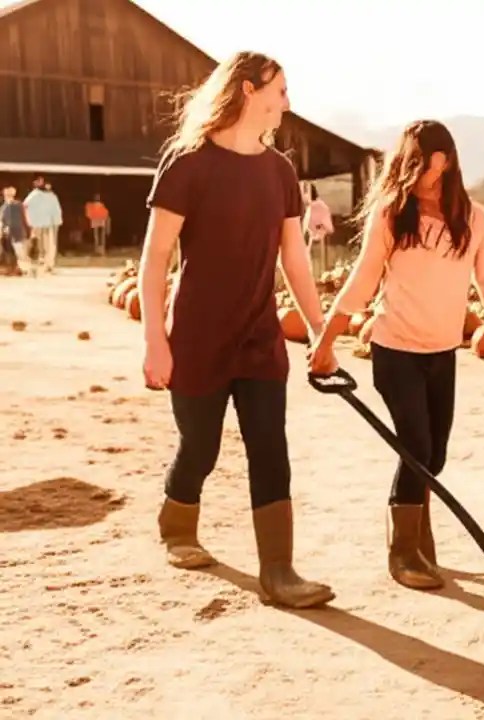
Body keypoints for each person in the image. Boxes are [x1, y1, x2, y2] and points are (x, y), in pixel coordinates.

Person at [139, 50, 335, 609]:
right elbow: (155, 260)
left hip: (259, 335)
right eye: (280, 88)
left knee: (270, 446)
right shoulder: (188, 164)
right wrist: (155, 339)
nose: (287, 102)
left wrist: (321, 329)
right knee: (199, 447)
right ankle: (177, 524)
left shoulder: (279, 170)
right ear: (249, 90)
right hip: (198, 335)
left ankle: (279, 570)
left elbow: (295, 259)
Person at [308, 119, 484, 591]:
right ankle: (403, 550)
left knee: (435, 455)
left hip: (443, 352)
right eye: (426, 166)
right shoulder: (392, 214)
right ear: (409, 163)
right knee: (417, 449)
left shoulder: (472, 218)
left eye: (443, 167)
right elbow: (363, 281)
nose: (434, 176)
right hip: (395, 351)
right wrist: (326, 342)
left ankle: (417, 538)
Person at [23, 176, 62, 274]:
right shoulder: (37, 195)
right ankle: (43, 265)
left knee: (46, 245)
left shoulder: (47, 195)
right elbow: (25, 206)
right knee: (43, 245)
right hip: (41, 224)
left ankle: (46, 265)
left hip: (43, 224)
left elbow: (25, 206)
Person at [1, 186, 28, 275]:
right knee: (13, 252)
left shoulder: (11, 206)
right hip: (13, 232)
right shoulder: (14, 205)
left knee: (17, 252)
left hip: (13, 232)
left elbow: (7, 220)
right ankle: (16, 268)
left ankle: (19, 268)